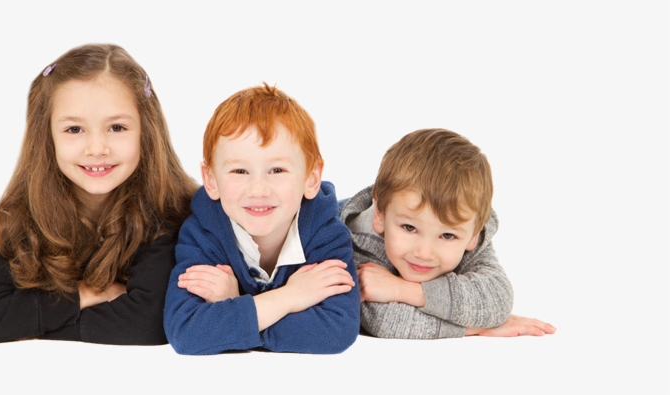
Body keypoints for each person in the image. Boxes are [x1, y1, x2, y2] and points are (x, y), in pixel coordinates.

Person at [0, 44, 198, 345]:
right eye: (74, 129)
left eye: (117, 127)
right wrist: (85, 294)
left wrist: (32, 325)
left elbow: (148, 322)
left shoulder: (168, 213)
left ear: (146, 131)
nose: (97, 148)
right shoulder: (26, 213)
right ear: (47, 137)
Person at [163, 83, 360, 355]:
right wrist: (289, 297)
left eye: (277, 170)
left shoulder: (328, 234)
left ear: (311, 178)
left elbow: (336, 330)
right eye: (239, 171)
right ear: (211, 180)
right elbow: (186, 331)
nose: (258, 190)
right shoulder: (202, 233)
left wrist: (234, 306)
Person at [340, 128, 556, 338]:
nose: (424, 253)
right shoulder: (357, 240)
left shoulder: (466, 220)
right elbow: (383, 320)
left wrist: (402, 290)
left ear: (474, 233)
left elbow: (498, 299)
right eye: (409, 228)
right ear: (380, 214)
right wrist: (476, 328)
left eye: (447, 236)